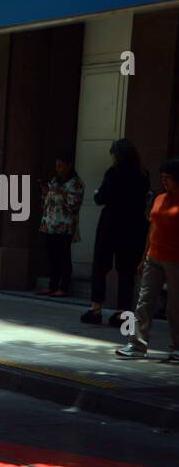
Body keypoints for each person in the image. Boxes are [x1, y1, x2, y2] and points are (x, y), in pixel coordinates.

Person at [116, 158, 179, 361]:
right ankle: (136, 345)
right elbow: (151, 229)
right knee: (144, 301)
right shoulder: (159, 198)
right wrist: (144, 258)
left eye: (168, 178)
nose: (164, 182)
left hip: (175, 260)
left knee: (174, 306)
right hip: (154, 257)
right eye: (162, 178)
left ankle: (177, 347)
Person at [83, 138, 151, 326]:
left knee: (100, 265)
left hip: (111, 224)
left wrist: (98, 193)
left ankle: (95, 309)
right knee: (127, 270)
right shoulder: (143, 175)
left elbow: (100, 197)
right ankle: (123, 313)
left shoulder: (114, 173)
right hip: (133, 227)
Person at [37, 152, 85, 297]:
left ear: (69, 166)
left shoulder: (76, 183)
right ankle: (52, 286)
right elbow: (47, 202)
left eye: (61, 166)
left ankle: (64, 287)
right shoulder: (55, 180)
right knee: (52, 256)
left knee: (63, 256)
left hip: (64, 226)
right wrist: (45, 193)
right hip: (50, 224)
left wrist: (62, 192)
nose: (58, 169)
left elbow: (74, 205)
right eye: (56, 166)